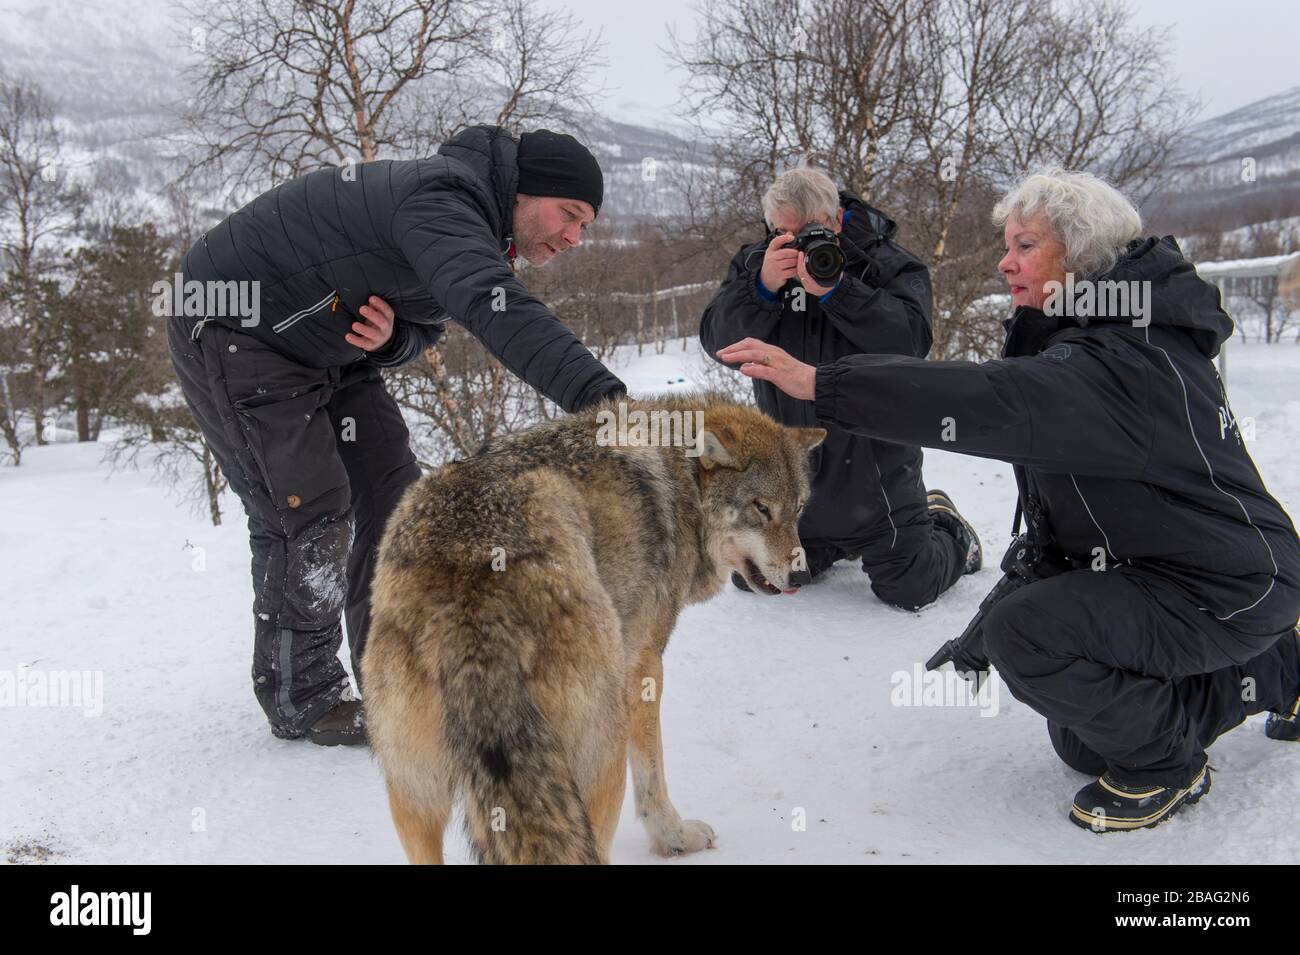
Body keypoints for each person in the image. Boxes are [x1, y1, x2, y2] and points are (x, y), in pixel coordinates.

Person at [716, 167, 1300, 832]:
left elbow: (988, 398)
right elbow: (1064, 519)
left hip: (1229, 581)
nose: (1003, 261)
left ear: (1078, 257)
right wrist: (978, 632)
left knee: (1030, 636)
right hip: (1179, 573)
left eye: (1024, 245)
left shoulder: (1122, 362)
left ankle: (1169, 767)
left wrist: (826, 385)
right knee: (1083, 739)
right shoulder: (1082, 336)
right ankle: (1279, 664)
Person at [166, 126, 626, 746]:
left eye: (586, 227)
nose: (573, 237)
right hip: (233, 327)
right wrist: (606, 405)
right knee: (306, 508)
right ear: (522, 190)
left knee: (394, 498)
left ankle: (392, 680)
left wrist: (393, 340)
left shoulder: (475, 225)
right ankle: (301, 696)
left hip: (333, 349)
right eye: (568, 214)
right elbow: (496, 308)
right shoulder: (442, 199)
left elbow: (421, 327)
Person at [701, 166, 981, 610]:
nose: (795, 246)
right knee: (764, 578)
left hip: (876, 470)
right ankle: (830, 542)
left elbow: (912, 341)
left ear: (835, 221)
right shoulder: (758, 263)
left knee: (909, 587)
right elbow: (719, 342)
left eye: (809, 233)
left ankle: (946, 525)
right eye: (781, 233)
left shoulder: (884, 262)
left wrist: (838, 290)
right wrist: (762, 288)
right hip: (796, 480)